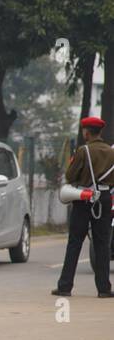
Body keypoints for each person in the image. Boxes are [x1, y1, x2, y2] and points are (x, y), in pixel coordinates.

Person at [54, 116, 114, 298]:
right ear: (100, 132)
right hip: (104, 198)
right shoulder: (111, 153)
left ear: (87, 132)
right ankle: (104, 289)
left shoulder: (83, 150)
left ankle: (65, 286)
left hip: (84, 199)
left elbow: (71, 176)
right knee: (102, 244)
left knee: (75, 242)